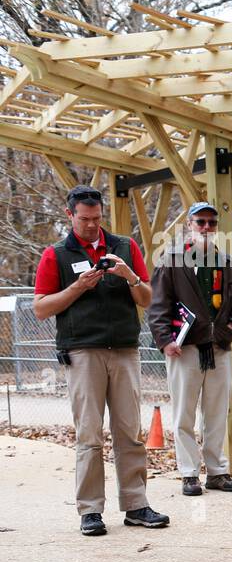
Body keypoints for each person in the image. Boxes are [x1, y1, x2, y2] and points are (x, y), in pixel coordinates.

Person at [32, 184, 169, 536]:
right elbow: (41, 308)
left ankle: (136, 505)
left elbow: (149, 298)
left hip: (124, 350)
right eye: (84, 219)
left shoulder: (125, 246)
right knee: (89, 434)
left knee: (129, 432)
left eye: (97, 218)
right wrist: (78, 287)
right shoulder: (56, 254)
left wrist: (130, 275)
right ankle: (90, 511)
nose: (92, 225)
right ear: (70, 215)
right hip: (83, 353)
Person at [148, 201, 232, 497]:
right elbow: (157, 304)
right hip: (185, 347)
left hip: (218, 344)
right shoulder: (172, 261)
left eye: (211, 223)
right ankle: (189, 473)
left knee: (217, 412)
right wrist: (165, 340)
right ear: (189, 224)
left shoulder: (224, 261)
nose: (206, 227)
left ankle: (217, 471)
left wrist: (231, 327)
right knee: (184, 415)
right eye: (200, 222)